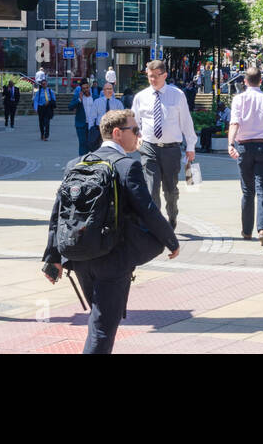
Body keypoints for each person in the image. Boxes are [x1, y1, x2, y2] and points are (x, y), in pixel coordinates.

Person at [42, 108, 180, 354]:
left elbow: (59, 214)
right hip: (113, 258)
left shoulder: (75, 165)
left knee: (98, 320)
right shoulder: (128, 166)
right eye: (134, 130)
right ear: (117, 133)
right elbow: (148, 209)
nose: (138, 134)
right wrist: (171, 241)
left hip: (80, 256)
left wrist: (53, 258)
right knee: (103, 326)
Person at [131, 59, 198, 231]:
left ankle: (172, 215)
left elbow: (186, 122)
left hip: (171, 149)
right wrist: (136, 136)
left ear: (165, 75)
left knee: (170, 189)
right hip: (149, 148)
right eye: (149, 76)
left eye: (155, 76)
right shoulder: (141, 97)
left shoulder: (177, 95)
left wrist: (191, 146)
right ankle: (156, 224)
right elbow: (134, 122)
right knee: (152, 188)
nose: (152, 80)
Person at [227, 68, 263, 245]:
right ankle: (262, 229)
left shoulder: (238, 99)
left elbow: (234, 123)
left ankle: (247, 231)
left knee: (247, 191)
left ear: (245, 81)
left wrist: (231, 144)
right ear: (261, 80)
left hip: (244, 147)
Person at [89, 82, 124, 148]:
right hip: (99, 130)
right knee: (100, 149)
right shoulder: (97, 102)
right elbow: (92, 117)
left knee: (113, 149)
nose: (109, 91)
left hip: (113, 131)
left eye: (110, 89)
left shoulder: (118, 103)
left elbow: (122, 118)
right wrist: (91, 130)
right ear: (103, 91)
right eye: (107, 89)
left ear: (113, 90)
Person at [72, 79, 96, 155]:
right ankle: (82, 161)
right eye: (84, 88)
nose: (86, 90)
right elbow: (70, 107)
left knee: (93, 144)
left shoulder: (95, 97)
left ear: (89, 87)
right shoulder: (78, 97)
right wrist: (79, 99)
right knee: (82, 144)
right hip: (81, 124)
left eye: (87, 88)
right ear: (81, 89)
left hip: (93, 125)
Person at [34, 75, 57, 141]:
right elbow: (36, 100)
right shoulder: (38, 92)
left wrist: (49, 102)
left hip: (48, 108)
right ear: (41, 84)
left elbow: (54, 99)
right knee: (41, 122)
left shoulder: (50, 91)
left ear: (47, 84)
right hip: (41, 108)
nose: (44, 85)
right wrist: (36, 108)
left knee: (47, 122)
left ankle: (46, 135)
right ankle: (42, 133)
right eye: (43, 84)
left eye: (45, 84)